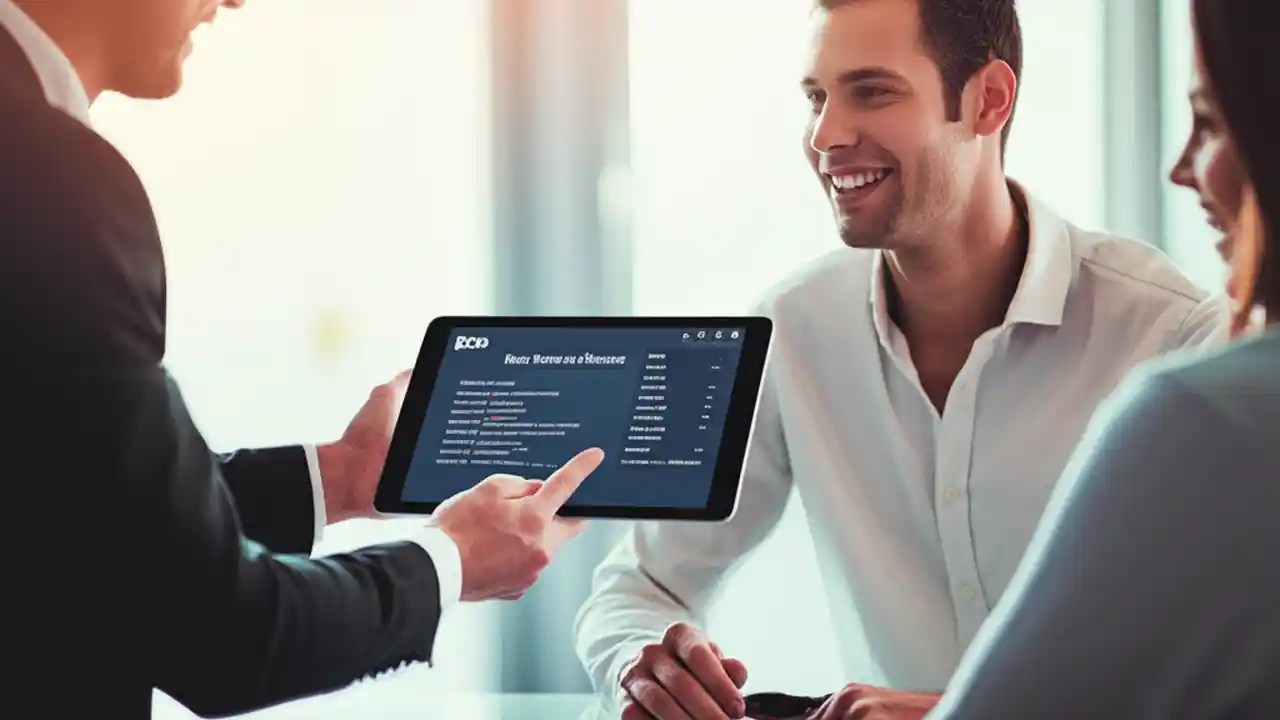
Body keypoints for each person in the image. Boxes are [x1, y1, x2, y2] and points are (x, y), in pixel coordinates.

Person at [574, 1, 1233, 718]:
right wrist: (643, 669)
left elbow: (1222, 666)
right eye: (817, 98)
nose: (825, 135)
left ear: (988, 100)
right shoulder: (791, 330)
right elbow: (637, 586)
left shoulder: (1170, 335)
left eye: (871, 92)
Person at [0, 0, 601, 717]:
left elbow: (82, 517)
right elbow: (220, 635)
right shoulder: (54, 179)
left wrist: (345, 476)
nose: (234, 0)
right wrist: (451, 560)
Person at [914, 0, 1279, 717]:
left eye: (1210, 121)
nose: (1182, 169)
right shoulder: (794, 318)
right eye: (815, 97)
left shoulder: (1204, 412)